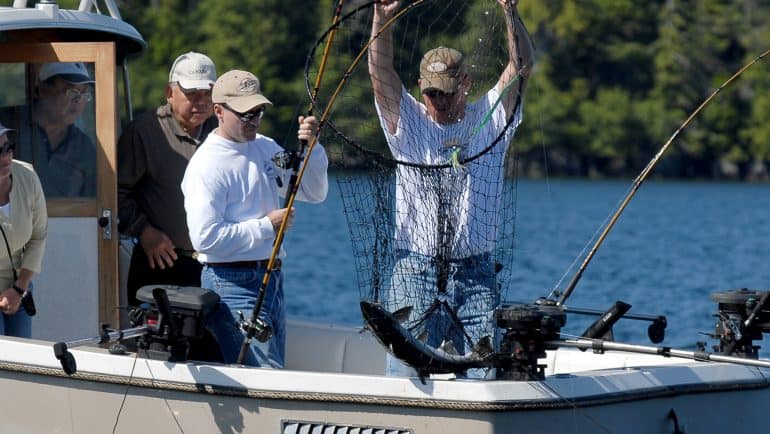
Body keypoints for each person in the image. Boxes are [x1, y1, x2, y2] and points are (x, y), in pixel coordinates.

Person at [368, 0, 534, 377]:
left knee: (481, 375)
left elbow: (521, 67)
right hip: (414, 269)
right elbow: (380, 74)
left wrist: (510, 12)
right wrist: (382, 18)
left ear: (466, 84)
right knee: (406, 378)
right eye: (431, 93)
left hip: (476, 276)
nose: (438, 102)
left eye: (446, 92)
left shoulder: (490, 118)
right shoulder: (407, 121)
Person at [181, 69, 329, 368]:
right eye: (245, 113)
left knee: (272, 372)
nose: (254, 119)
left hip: (271, 278)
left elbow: (314, 192)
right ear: (219, 110)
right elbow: (205, 238)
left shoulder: (265, 147)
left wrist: (313, 147)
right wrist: (267, 226)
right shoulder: (207, 165)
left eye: (258, 111)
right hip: (230, 284)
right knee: (266, 375)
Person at [118, 51, 217, 307]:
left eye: (207, 93)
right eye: (192, 93)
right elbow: (115, 193)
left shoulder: (224, 132)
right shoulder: (143, 131)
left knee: (208, 346)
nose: (201, 102)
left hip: (215, 268)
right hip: (160, 263)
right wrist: (144, 230)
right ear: (170, 93)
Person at [16, 62, 97, 197]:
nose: (78, 100)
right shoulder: (9, 125)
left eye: (84, 94)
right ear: (43, 90)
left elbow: (95, 204)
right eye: (72, 91)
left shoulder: (84, 146)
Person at [0, 123, 48, 337]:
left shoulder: (27, 176)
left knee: (22, 361)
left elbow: (38, 236)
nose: (6, 156)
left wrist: (19, 288)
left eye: (8, 147)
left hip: (20, 285)